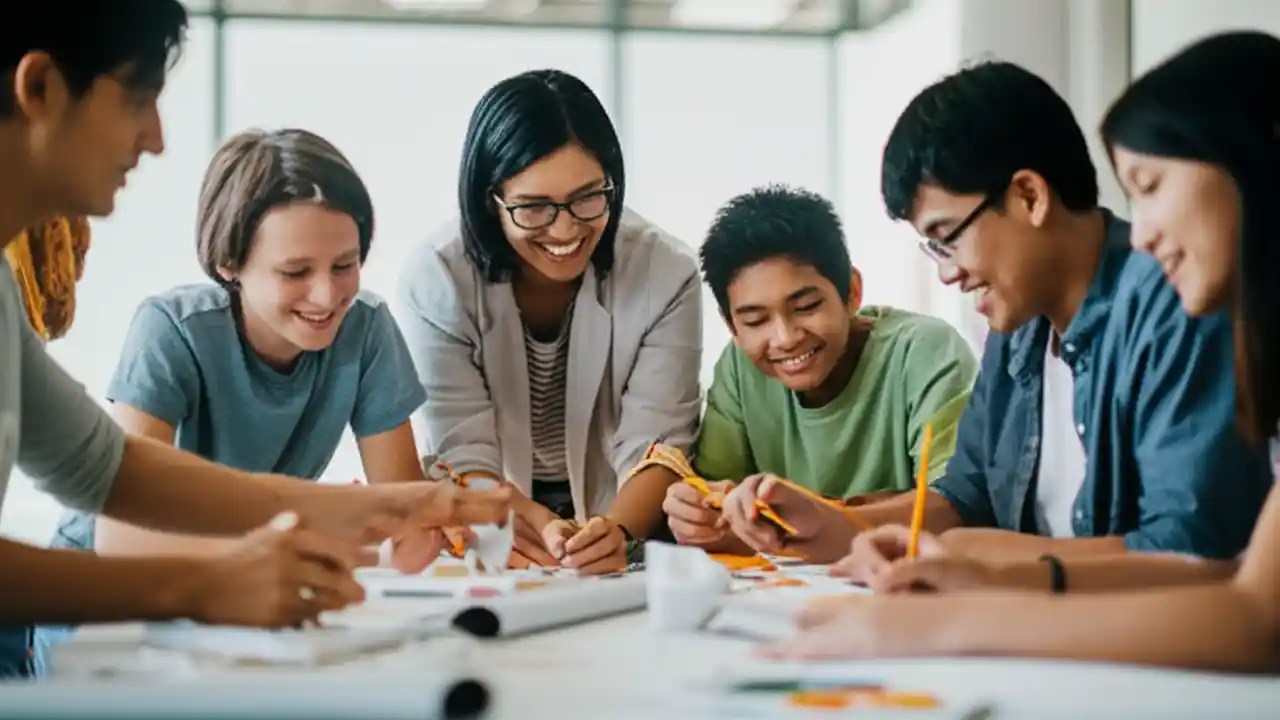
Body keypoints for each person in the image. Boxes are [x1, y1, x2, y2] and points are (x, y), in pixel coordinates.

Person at [0, 0, 508, 678]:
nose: (156, 138)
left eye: (343, 265)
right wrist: (211, 579)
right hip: (92, 627)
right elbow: (113, 519)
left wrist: (400, 502)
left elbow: (104, 468)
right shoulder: (176, 328)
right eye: (138, 99)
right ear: (40, 88)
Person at [763, 30, 1280, 673]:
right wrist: (838, 524)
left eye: (946, 238)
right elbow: (967, 498)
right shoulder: (1018, 327)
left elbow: (1208, 567)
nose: (1144, 235)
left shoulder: (1178, 302)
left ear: (1030, 196)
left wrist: (975, 596)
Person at [34, 127, 448, 671]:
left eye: (345, 265)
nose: (327, 296)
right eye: (295, 272)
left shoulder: (365, 329)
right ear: (230, 264)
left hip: (246, 592)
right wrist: (300, 541)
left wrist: (396, 529)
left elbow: (406, 517)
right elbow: (123, 537)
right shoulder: (172, 330)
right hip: (110, 597)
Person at [397, 69, 700, 575]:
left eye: (588, 197)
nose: (565, 229)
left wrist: (618, 532)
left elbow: (658, 441)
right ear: (489, 200)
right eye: (533, 208)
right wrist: (527, 518)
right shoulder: (437, 278)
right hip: (496, 512)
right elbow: (464, 450)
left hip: (626, 511)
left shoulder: (665, 271)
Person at [663, 185, 977, 554]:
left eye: (807, 306)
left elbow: (956, 507)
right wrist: (697, 513)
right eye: (755, 320)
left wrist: (819, 517)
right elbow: (716, 493)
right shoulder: (739, 370)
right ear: (732, 327)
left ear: (852, 292)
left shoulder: (925, 352)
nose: (785, 338)